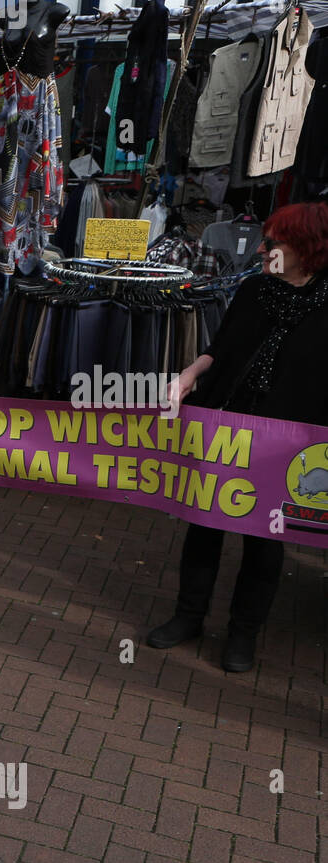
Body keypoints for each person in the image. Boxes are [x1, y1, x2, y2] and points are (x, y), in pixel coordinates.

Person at [148, 201, 328, 673]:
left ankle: (242, 634)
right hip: (228, 423)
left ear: (307, 249)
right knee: (204, 522)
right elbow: (219, 349)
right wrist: (188, 374)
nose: (264, 249)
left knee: (266, 541)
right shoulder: (252, 290)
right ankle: (188, 617)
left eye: (275, 242)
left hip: (289, 442)